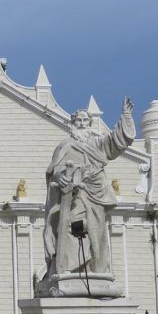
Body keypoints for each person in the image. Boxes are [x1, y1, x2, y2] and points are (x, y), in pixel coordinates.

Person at [42, 97, 135, 283]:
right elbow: (54, 169)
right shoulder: (64, 146)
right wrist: (62, 176)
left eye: (85, 120)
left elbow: (116, 142)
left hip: (96, 193)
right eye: (78, 120)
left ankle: (97, 268)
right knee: (68, 227)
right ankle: (66, 266)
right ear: (72, 123)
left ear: (90, 124)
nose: (82, 124)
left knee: (96, 232)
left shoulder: (97, 143)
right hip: (74, 194)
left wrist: (126, 116)